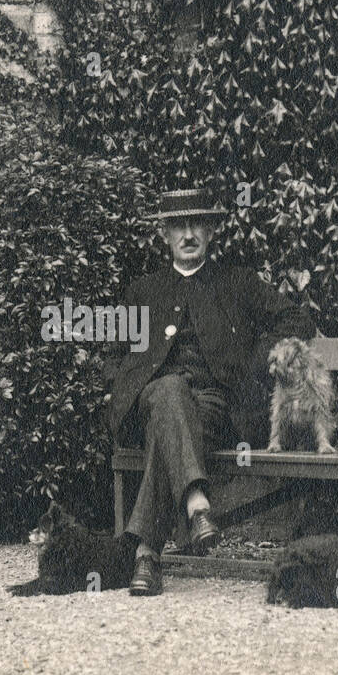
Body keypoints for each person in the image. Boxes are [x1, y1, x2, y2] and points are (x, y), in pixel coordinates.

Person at [104, 188, 315, 596]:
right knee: (168, 389)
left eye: (196, 225)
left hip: (214, 408)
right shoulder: (143, 291)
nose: (187, 234)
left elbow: (296, 319)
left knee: (166, 424)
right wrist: (120, 389)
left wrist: (255, 364)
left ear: (211, 231)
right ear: (164, 235)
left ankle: (147, 554)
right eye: (178, 226)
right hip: (152, 398)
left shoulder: (237, 282)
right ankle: (195, 501)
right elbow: (114, 352)